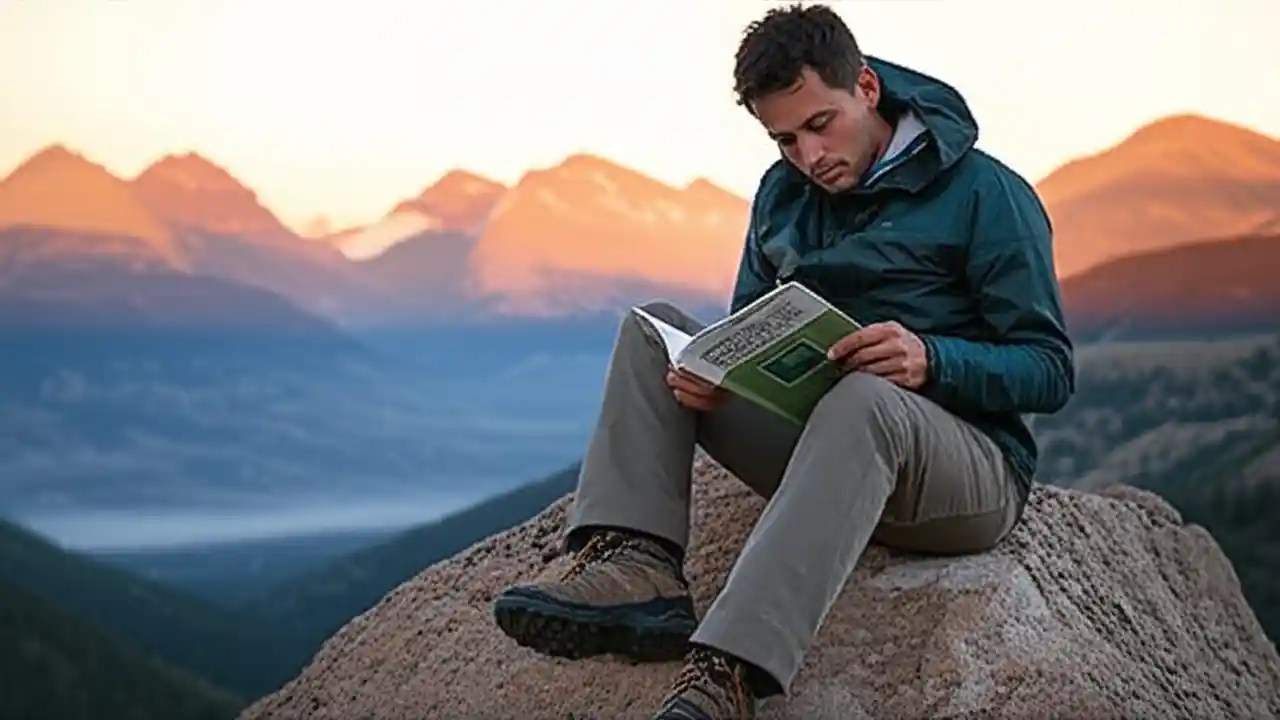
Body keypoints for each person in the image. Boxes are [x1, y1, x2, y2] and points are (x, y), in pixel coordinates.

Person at [492, 4, 1075, 718]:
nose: (807, 156)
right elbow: (749, 321)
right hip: (825, 450)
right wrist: (715, 372)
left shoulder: (986, 194)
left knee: (867, 400)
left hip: (967, 473)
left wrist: (930, 358)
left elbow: (1048, 368)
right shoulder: (782, 195)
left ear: (865, 87)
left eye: (819, 125)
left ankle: (729, 675)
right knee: (654, 332)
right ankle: (638, 570)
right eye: (784, 139)